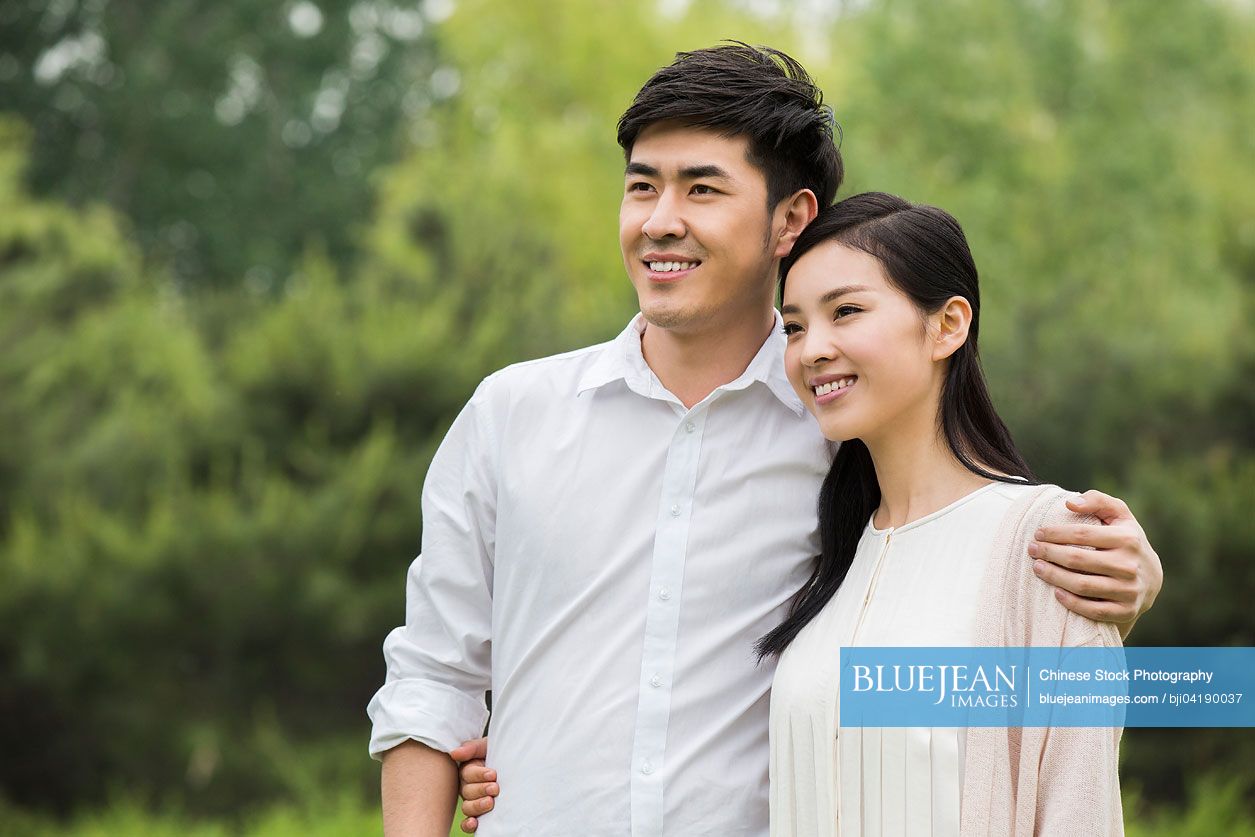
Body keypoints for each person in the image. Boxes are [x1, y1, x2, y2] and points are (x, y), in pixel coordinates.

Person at [372, 44, 1161, 837]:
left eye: (701, 189)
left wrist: (1120, 581)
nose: (659, 221)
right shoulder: (512, 413)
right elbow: (432, 676)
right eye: (641, 185)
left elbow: (957, 556)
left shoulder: (843, 427)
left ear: (790, 218)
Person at [766, 192, 1123, 836]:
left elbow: (1079, 809)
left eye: (845, 311)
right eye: (794, 327)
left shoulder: (1046, 544)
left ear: (947, 326)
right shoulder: (834, 553)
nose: (811, 349)